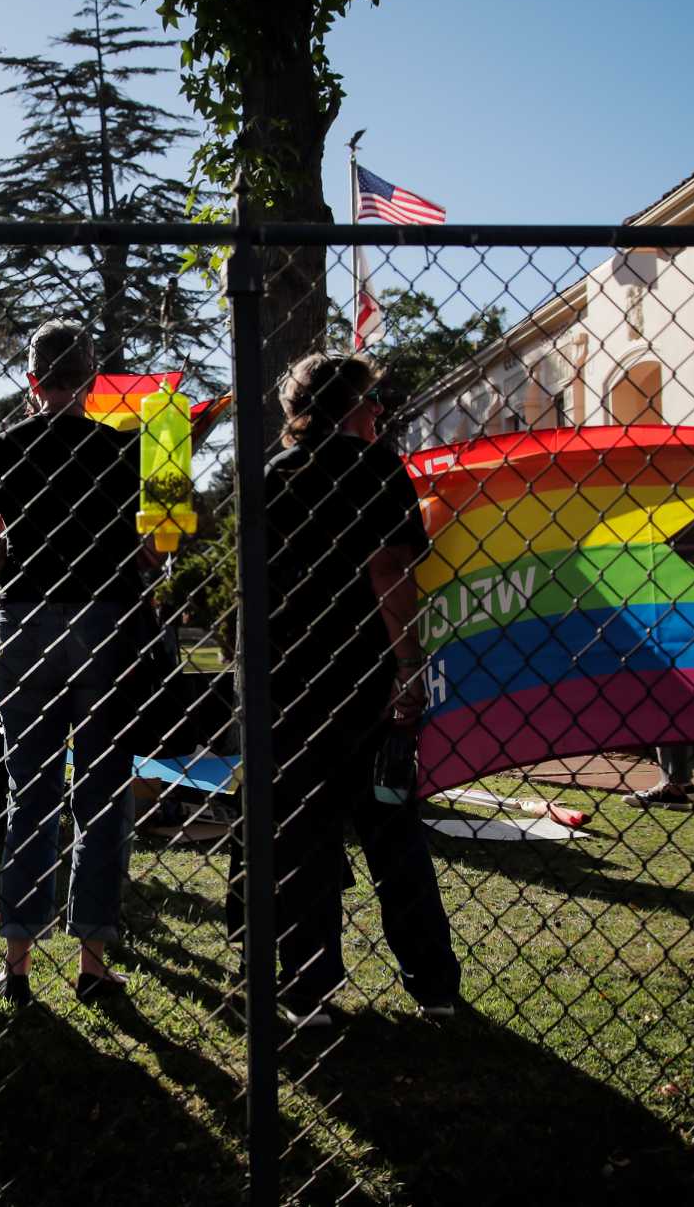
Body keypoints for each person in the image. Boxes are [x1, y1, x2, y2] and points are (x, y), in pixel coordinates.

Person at [267, 353, 460, 1028]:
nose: (380, 409)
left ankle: (307, 987)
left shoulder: (275, 473)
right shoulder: (375, 467)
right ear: (347, 404)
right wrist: (408, 662)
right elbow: (388, 566)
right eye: (371, 398)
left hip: (290, 678)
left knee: (304, 835)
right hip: (362, 673)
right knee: (391, 826)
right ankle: (433, 984)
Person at [0, 320, 143, 1007]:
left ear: (32, 380)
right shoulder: (124, 448)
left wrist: (13, 552)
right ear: (92, 380)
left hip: (27, 618)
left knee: (29, 791)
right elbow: (155, 545)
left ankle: (17, 961)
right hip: (104, 619)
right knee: (102, 793)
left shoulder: (4, 447)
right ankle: (92, 960)